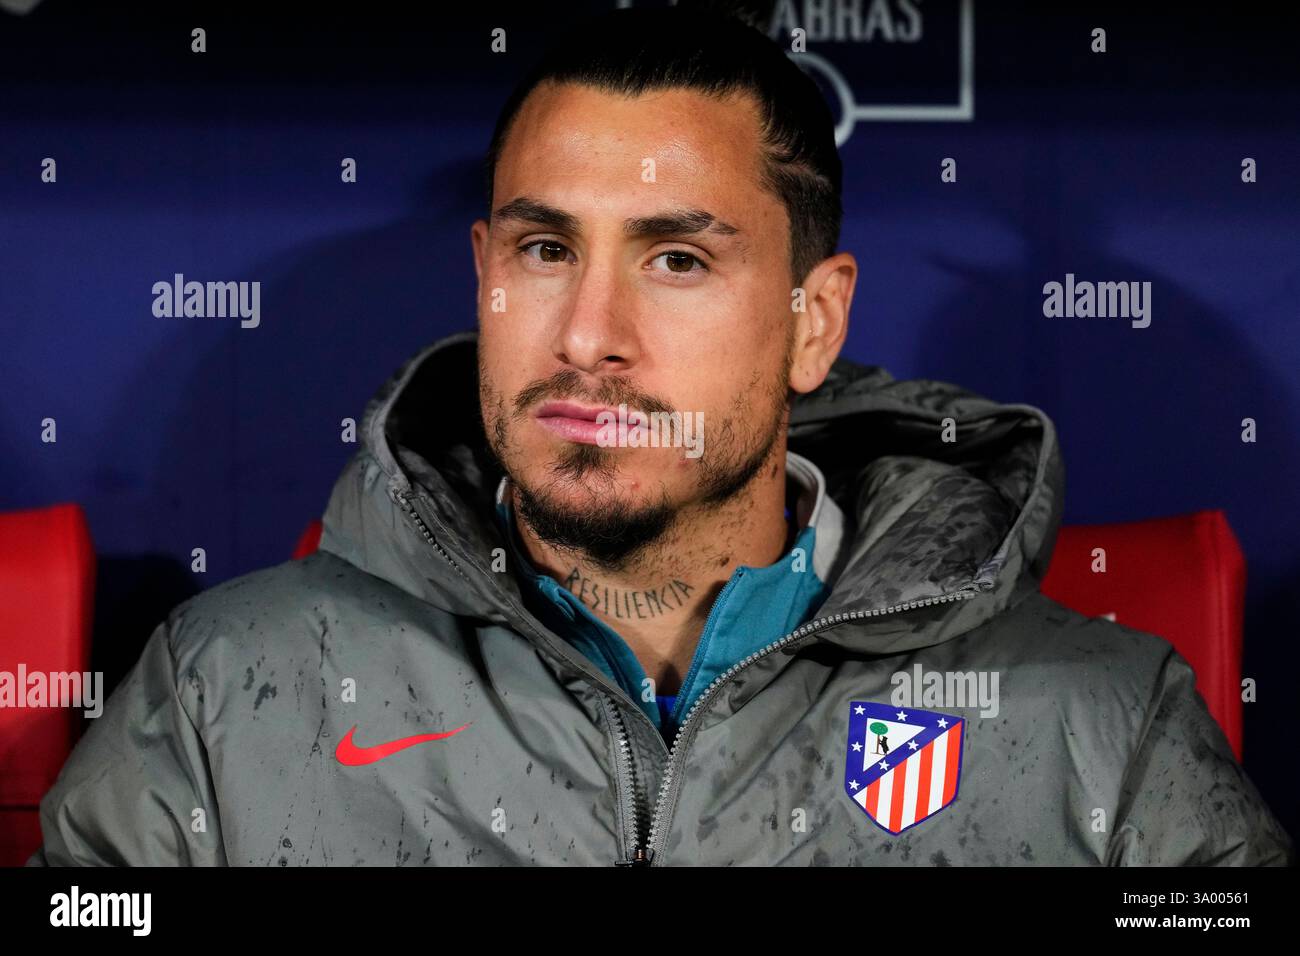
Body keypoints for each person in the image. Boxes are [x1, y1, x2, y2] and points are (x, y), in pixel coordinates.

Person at [30, 6, 1292, 866]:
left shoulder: (1102, 726)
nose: (587, 335)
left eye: (677, 258)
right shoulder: (221, 696)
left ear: (814, 320)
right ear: (483, 276)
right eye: (543, 249)